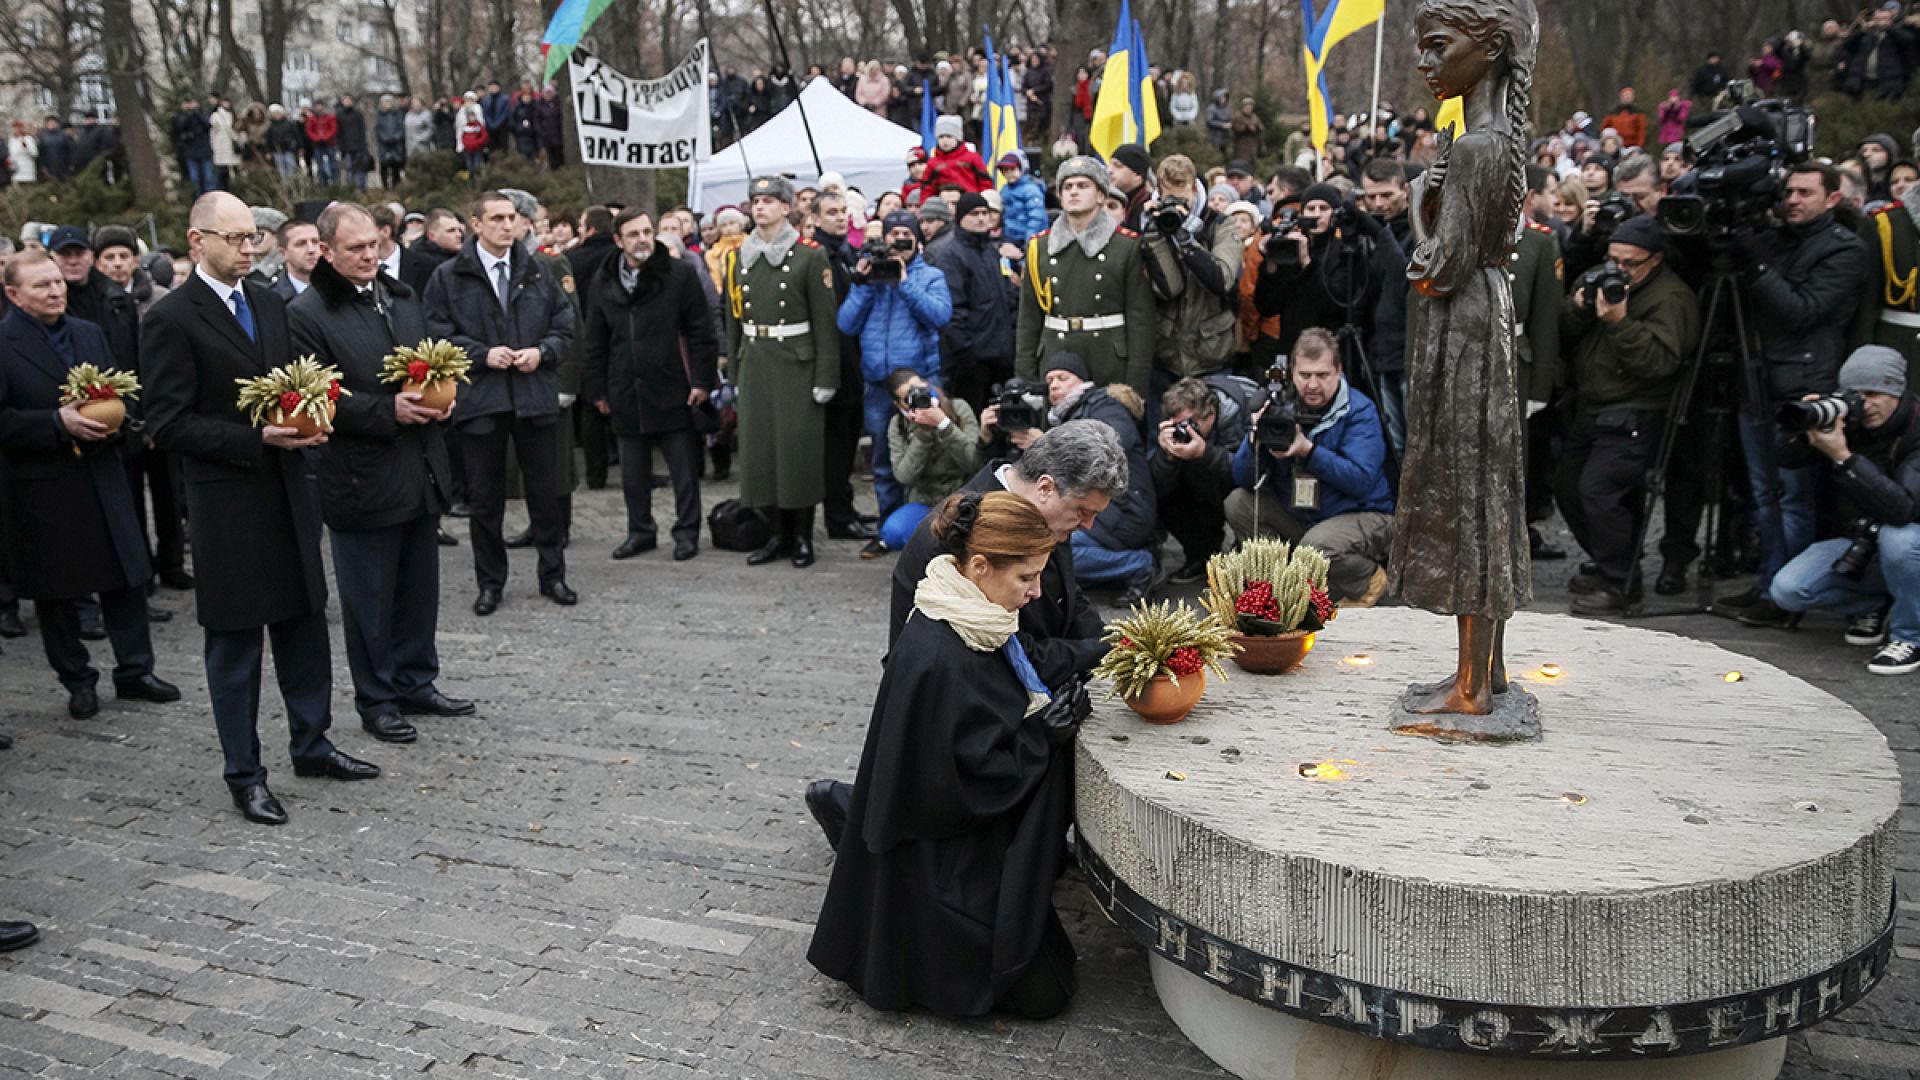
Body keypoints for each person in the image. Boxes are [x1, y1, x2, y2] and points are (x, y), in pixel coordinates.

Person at [144, 192, 382, 826]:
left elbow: (293, 386)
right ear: (198, 242)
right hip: (228, 506)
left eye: (254, 237)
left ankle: (313, 742)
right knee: (236, 645)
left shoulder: (271, 303)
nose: (249, 248)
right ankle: (244, 772)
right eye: (236, 238)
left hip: (290, 490)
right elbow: (166, 423)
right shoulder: (171, 319)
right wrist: (256, 439)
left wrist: (312, 418)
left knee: (305, 624)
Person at [808, 490, 1078, 1021]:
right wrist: (1040, 739)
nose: (1035, 592)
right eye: (1026, 578)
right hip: (937, 859)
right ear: (979, 566)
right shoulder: (939, 650)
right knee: (1044, 994)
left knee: (1052, 980)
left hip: (953, 842)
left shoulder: (971, 616)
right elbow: (951, 786)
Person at [1387, 0, 1537, 716]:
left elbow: (1433, 268)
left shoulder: (1479, 145)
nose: (1425, 62)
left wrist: (1420, 200)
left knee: (1468, 492)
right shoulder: (1496, 136)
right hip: (1487, 313)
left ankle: (1472, 687)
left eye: (1438, 46)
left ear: (1492, 48)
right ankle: (1489, 672)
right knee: (1484, 490)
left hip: (1465, 323)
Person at [288, 203, 470, 745]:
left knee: (418, 591)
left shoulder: (401, 295)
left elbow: (424, 362)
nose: (371, 255)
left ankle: (418, 680)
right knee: (369, 599)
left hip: (419, 467)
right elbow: (317, 397)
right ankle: (378, 698)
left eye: (374, 244)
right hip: (360, 477)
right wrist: (386, 411)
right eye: (356, 249)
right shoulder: (307, 313)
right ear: (326, 251)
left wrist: (443, 397)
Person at [0, 251, 180, 720]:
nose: (56, 291)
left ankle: (136, 670)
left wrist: (120, 422)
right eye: (41, 286)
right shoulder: (3, 343)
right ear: (13, 295)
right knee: (58, 592)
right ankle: (77, 679)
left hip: (103, 473)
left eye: (58, 282)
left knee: (126, 575)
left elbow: (118, 390)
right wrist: (55, 423)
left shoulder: (88, 332)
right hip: (44, 486)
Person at [1722, 163, 1872, 627]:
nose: (1792, 200)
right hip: (1757, 381)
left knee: (1792, 496)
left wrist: (1757, 263)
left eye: (1805, 192)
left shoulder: (1845, 250)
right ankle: (1772, 581)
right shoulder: (1778, 238)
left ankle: (1786, 594)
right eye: (1787, 191)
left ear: (1832, 198)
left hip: (1804, 389)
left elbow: (1801, 311)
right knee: (1764, 494)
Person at [423, 190, 578, 615]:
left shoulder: (537, 270)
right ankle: (490, 582)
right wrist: (481, 354)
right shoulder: (450, 276)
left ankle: (554, 575)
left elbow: (565, 326)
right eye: (496, 218)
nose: (507, 225)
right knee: (485, 500)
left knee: (545, 494)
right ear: (476, 224)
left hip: (534, 396)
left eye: (511, 217)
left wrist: (541, 352)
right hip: (483, 399)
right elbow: (436, 333)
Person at [1555, 216, 1702, 615]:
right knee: (1568, 486)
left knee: (1600, 491)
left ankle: (1620, 582)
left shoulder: (1671, 299)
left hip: (1635, 409)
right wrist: (1581, 308)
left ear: (1654, 260)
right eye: (1613, 259)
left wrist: (1620, 324)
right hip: (1589, 404)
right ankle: (1610, 561)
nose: (1618, 271)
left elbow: (1659, 363)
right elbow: (1562, 332)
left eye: (1629, 264)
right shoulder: (1599, 278)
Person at [1769, 347, 1920, 675]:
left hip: (1909, 542)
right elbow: (1782, 459)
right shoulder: (1850, 422)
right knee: (1788, 590)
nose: (1864, 405)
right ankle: (1876, 604)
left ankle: (1910, 636)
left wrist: (1843, 457)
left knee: (1900, 540)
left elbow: (1903, 509)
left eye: (1873, 394)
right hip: (1866, 540)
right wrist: (1809, 427)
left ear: (1896, 390)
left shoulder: (1916, 428)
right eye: (1855, 395)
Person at [583, 208, 719, 562]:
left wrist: (703, 380)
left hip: (673, 385)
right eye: (633, 234)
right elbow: (595, 338)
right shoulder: (604, 280)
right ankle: (640, 530)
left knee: (683, 470)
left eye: (647, 231)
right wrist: (596, 389)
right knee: (632, 473)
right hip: (624, 387)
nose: (643, 239)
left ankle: (687, 532)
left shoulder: (679, 274)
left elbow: (701, 331)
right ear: (618, 240)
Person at [721, 176, 841, 568]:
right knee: (761, 454)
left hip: (796, 363)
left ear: (787, 207)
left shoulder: (809, 255)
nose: (760, 207)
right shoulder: (740, 256)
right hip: (756, 360)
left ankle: (803, 536)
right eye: (756, 200)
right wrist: (735, 371)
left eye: (770, 200)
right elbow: (733, 320)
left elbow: (826, 324)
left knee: (797, 453)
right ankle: (775, 534)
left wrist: (826, 378)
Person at [1227, 328, 1394, 604]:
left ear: (1338, 371)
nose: (1313, 385)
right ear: (1292, 372)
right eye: (1305, 375)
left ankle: (1369, 580)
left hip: (1364, 512)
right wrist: (1255, 437)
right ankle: (1282, 590)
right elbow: (1242, 478)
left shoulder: (1358, 410)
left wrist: (1309, 451)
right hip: (1306, 513)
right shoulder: (1279, 406)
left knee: (1317, 546)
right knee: (1239, 504)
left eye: (1322, 375)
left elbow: (1361, 479)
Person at [837, 210, 953, 537]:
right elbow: (845, 323)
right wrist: (862, 284)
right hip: (878, 384)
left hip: (920, 380)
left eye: (906, 233)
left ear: (917, 239)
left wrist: (904, 283)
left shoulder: (929, 276)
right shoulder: (871, 279)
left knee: (929, 456)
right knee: (884, 461)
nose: (899, 240)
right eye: (893, 234)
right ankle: (890, 528)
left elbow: (939, 315)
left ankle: (932, 530)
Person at [1014, 156, 1156, 399]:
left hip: (1108, 359)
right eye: (1067, 187)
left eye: (1083, 185)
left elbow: (1140, 319)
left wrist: (1136, 384)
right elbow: (1029, 319)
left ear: (1101, 195)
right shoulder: (1040, 247)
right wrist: (1026, 379)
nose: (1074, 192)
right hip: (1055, 356)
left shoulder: (1126, 246)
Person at [1037, 353, 1157, 605]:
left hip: (1124, 512)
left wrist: (1045, 444)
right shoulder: (1067, 416)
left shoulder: (1105, 406)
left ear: (1082, 381)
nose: (1054, 385)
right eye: (1049, 381)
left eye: (1062, 377)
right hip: (1099, 509)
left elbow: (1110, 442)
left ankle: (1139, 564)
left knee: (1056, 552)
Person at [1140, 154, 1243, 401]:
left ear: (1195, 191)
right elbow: (1169, 288)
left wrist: (1185, 239)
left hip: (1210, 356)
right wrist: (1154, 236)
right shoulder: (1152, 225)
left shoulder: (1220, 225)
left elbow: (1221, 280)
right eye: (1169, 198)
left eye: (1183, 198)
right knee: (1161, 434)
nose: (1177, 205)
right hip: (1166, 355)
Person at [808, 191, 880, 543]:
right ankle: (837, 516)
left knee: (848, 441)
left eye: (843, 212)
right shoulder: (820, 255)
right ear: (815, 219)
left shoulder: (846, 252)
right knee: (835, 450)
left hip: (854, 363)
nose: (839, 218)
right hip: (834, 363)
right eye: (831, 212)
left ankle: (846, 508)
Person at [1151, 374, 1257, 582]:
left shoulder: (1241, 413)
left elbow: (1250, 471)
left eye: (1190, 424)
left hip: (1235, 484)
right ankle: (1201, 555)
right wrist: (1167, 455)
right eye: (1177, 424)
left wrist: (1205, 453)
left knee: (1240, 496)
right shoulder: (1174, 424)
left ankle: (1245, 552)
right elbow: (1158, 484)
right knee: (1165, 494)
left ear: (1210, 416)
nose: (1183, 430)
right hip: (1199, 486)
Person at [928, 192, 1019, 419]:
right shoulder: (949, 255)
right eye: (974, 214)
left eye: (984, 213)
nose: (980, 219)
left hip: (1000, 357)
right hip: (971, 362)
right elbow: (953, 312)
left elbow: (1007, 299)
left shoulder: (992, 252)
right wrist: (967, 355)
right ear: (960, 218)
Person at [881, 369, 981, 550]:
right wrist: (922, 436)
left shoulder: (958, 408)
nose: (919, 397)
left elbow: (973, 462)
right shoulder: (898, 425)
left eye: (922, 389)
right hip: (925, 501)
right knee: (894, 533)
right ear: (899, 405)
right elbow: (904, 476)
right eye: (909, 397)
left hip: (962, 496)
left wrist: (944, 425)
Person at [1842, 5, 1917, 99]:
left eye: (1884, 18)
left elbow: (1908, 41)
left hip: (1888, 82)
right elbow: (1847, 45)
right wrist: (1862, 31)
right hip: (1862, 82)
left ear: (1891, 20)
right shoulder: (1867, 35)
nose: (1881, 21)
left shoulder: (1898, 32)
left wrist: (1888, 28)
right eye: (1878, 18)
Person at [925, 115, 991, 194]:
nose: (945, 140)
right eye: (941, 137)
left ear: (958, 138)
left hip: (969, 201)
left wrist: (983, 200)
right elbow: (927, 188)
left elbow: (985, 182)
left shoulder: (972, 158)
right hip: (942, 203)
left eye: (949, 137)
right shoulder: (933, 163)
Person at [996, 152, 1048, 246]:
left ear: (1022, 169)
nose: (1009, 173)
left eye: (1012, 169)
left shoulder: (1031, 189)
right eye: (1005, 170)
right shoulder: (1004, 190)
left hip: (1029, 237)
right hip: (1009, 237)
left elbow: (1036, 217)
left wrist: (1029, 240)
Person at [271, 219, 321, 300]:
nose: (311, 250)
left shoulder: (340, 289)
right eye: (301, 244)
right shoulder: (272, 298)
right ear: (283, 253)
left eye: (315, 242)